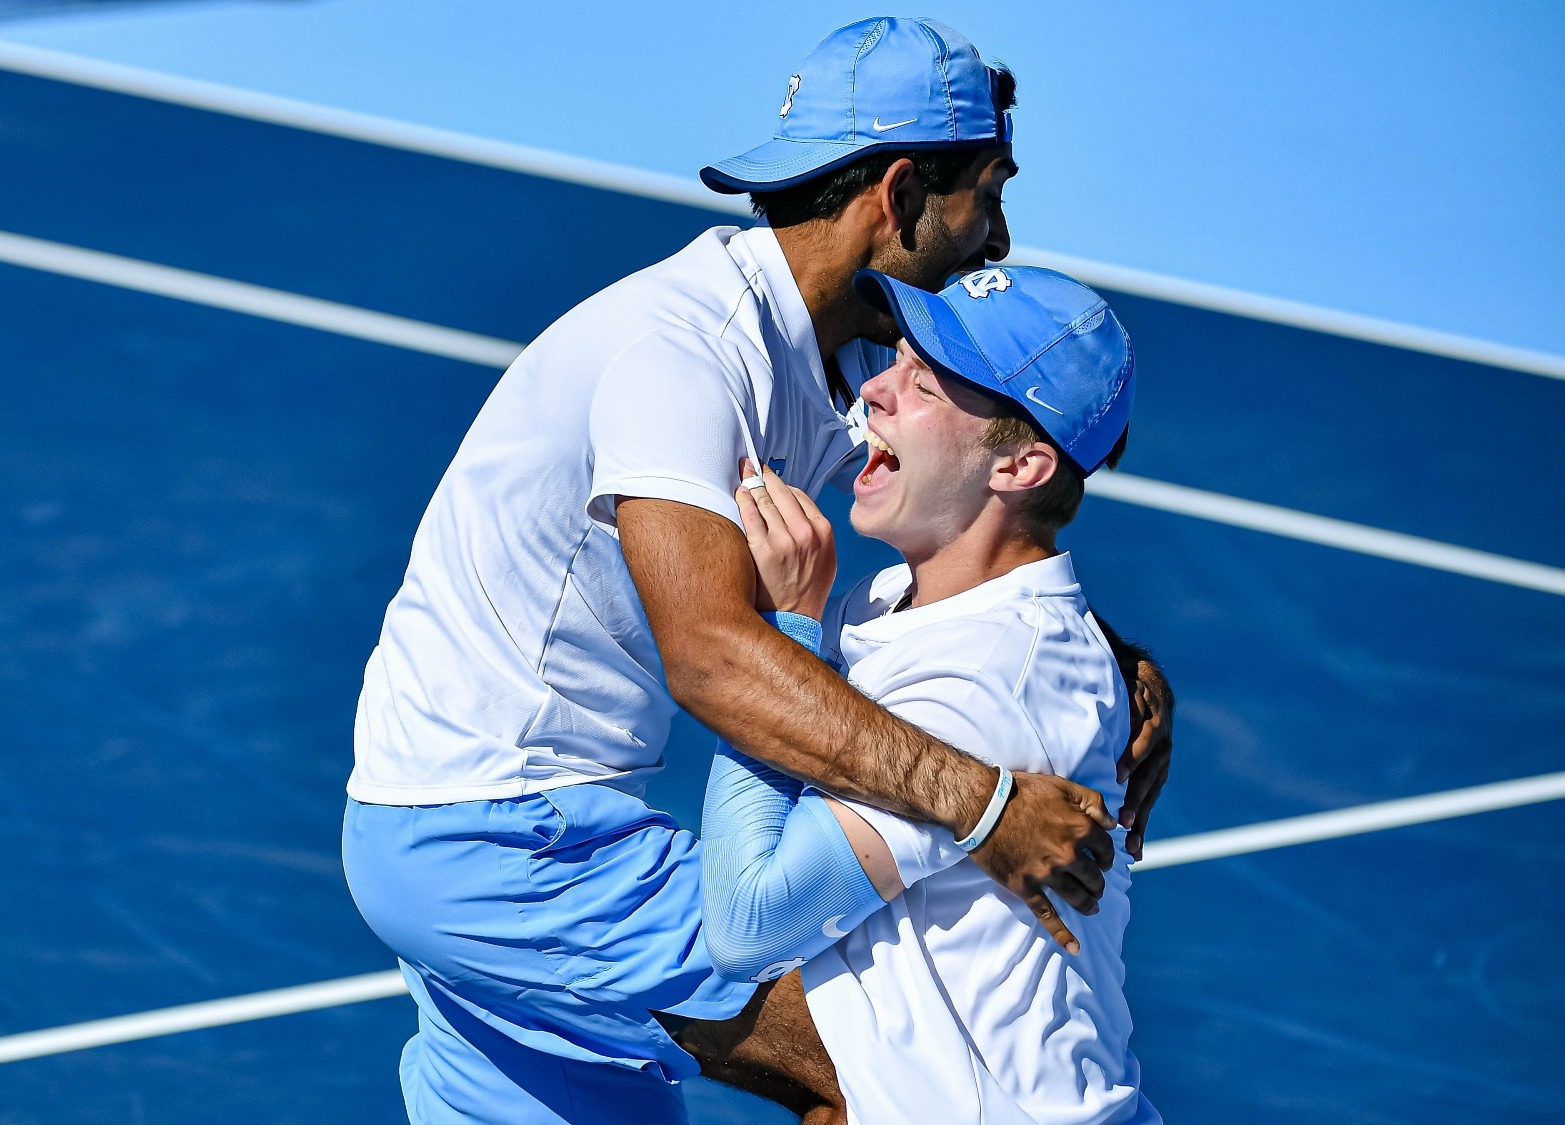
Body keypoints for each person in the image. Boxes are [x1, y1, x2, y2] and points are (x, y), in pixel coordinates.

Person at [340, 17, 1174, 1123]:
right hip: (502, 840)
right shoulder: (679, 355)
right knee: (871, 1065)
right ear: (895, 194)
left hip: (498, 827)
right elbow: (713, 657)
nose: (999, 235)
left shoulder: (858, 351)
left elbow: (988, 516)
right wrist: (984, 805)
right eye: (985, 190)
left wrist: (1109, 666)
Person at [698, 265, 1159, 1123]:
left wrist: (780, 635)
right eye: (893, 361)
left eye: (921, 383)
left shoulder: (982, 682)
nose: (872, 388)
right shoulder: (898, 603)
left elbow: (750, 923)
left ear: (1021, 464)